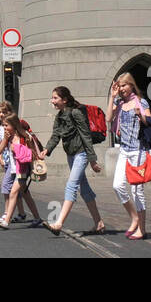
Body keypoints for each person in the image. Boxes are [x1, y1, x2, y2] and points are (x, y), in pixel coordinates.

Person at [42, 85, 105, 234]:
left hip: (81, 153)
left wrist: (92, 160)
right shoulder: (59, 116)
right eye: (52, 98)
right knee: (85, 189)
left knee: (71, 185)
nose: (52, 101)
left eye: (55, 98)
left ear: (64, 100)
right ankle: (99, 223)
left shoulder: (76, 113)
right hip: (71, 154)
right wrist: (47, 149)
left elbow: (85, 136)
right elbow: (56, 135)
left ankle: (58, 224)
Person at [107, 72, 151, 239]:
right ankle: (134, 217)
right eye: (120, 86)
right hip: (124, 150)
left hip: (138, 150)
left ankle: (142, 228)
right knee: (117, 185)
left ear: (132, 85)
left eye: (125, 85)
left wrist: (140, 115)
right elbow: (108, 118)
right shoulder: (119, 103)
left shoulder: (141, 102)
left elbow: (150, 122)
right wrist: (112, 98)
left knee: (137, 191)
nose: (122, 89)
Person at [0, 113, 44, 228]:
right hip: (13, 169)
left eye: (6, 125)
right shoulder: (9, 137)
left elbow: (32, 153)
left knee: (13, 193)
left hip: (23, 170)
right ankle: (37, 218)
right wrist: (5, 140)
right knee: (25, 194)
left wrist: (17, 149)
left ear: (14, 124)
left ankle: (6, 221)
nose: (4, 128)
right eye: (3, 125)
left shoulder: (24, 137)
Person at [0, 103, 30, 223]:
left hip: (17, 163)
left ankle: (7, 214)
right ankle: (22, 213)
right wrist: (0, 158)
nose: (1, 114)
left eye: (4, 112)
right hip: (7, 160)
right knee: (19, 190)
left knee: (7, 187)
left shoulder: (12, 127)